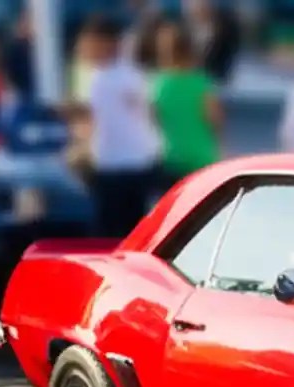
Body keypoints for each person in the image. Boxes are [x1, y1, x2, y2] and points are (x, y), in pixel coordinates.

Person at [77, 16, 162, 238]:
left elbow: (147, 111)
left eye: (91, 42)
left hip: (130, 168)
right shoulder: (97, 75)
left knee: (127, 235)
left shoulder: (126, 75)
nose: (86, 48)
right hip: (110, 166)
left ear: (108, 43)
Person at [150, 22, 223, 190]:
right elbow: (215, 120)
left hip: (170, 159)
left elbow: (154, 120)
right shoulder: (201, 82)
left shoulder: (158, 84)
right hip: (201, 159)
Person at [184, 0, 241, 83]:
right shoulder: (180, 31)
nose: (198, 5)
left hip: (218, 82)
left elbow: (229, 59)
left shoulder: (226, 30)